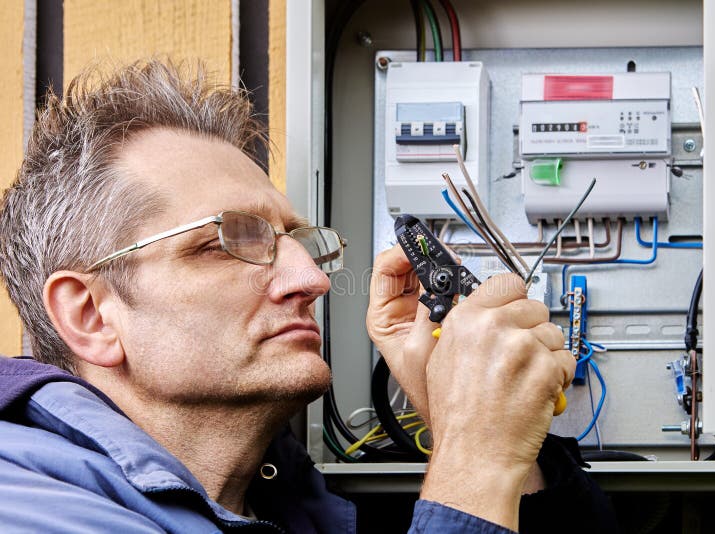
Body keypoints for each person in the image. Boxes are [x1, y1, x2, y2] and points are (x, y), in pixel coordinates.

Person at [0, 60, 616, 533]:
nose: (313, 280)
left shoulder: (293, 506)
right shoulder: (29, 506)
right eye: (229, 241)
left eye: (300, 242)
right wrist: (473, 463)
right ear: (90, 316)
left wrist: (488, 438)